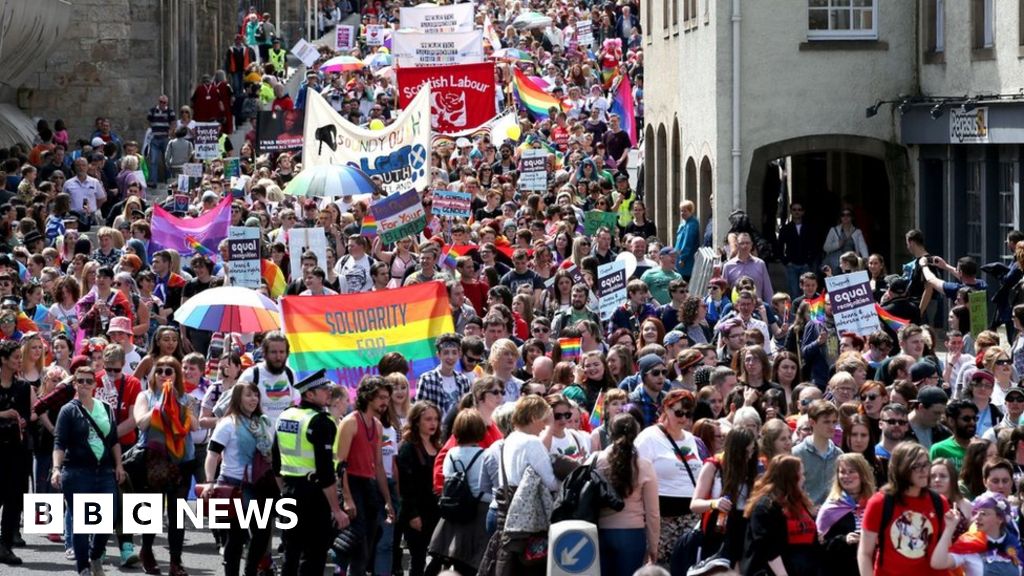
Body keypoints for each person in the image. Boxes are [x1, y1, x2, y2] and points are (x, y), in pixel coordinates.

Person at [274, 369, 349, 576]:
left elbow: (275, 462)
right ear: (309, 394)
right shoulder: (321, 421)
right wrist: (336, 509)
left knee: (291, 551)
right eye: (323, 389)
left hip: (289, 490)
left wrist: (285, 491)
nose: (328, 393)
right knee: (315, 554)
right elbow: (325, 471)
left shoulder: (285, 415)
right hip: (314, 495)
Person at [51, 363, 125, 576]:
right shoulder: (68, 410)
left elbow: (113, 440)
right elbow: (59, 443)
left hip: (104, 471)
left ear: (95, 384)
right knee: (82, 522)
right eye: (80, 380)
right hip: (77, 471)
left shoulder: (106, 408)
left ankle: (95, 556)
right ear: (74, 383)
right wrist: (56, 468)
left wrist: (119, 465)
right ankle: (83, 567)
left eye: (88, 381)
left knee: (107, 519)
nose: (84, 384)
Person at [203, 382, 275, 576]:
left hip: (261, 485)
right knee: (236, 537)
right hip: (235, 486)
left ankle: (250, 570)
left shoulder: (262, 422)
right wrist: (210, 481)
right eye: (248, 395)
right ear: (237, 398)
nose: (253, 399)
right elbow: (212, 454)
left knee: (262, 534)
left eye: (256, 395)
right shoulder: (227, 423)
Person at [132, 355, 195, 576]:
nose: (164, 375)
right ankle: (147, 551)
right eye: (159, 371)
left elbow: (194, 427)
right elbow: (140, 423)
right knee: (152, 511)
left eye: (169, 371)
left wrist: (177, 404)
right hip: (153, 460)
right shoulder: (145, 396)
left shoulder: (185, 398)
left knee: (177, 513)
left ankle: (176, 562)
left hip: (181, 461)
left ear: (176, 375)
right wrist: (160, 405)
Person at [858, 442, 949, 576]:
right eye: (917, 466)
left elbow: (946, 549)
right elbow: (865, 553)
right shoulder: (880, 502)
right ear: (902, 468)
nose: (924, 470)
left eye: (926, 464)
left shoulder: (939, 502)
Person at [335, 376, 395, 576]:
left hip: (368, 484)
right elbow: (340, 463)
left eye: (387, 397)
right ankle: (340, 569)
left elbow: (378, 465)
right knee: (357, 544)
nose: (385, 402)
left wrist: (387, 500)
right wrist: (348, 498)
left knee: (369, 542)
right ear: (368, 397)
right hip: (351, 482)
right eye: (380, 397)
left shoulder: (377, 425)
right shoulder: (350, 422)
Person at [634, 389, 702, 564]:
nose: (684, 418)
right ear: (666, 408)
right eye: (678, 412)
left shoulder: (691, 439)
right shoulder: (648, 438)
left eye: (688, 414)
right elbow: (637, 477)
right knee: (662, 568)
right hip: (662, 518)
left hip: (691, 517)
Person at [595, 413, 659, 575]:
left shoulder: (598, 460)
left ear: (610, 433)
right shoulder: (644, 465)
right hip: (632, 534)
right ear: (636, 433)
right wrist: (653, 546)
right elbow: (652, 513)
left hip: (601, 532)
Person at [427, 409, 490, 575]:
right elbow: (484, 486)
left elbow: (447, 478)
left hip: (454, 512)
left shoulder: (451, 454)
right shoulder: (485, 455)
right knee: (474, 563)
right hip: (479, 512)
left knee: (457, 560)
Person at [741, 454, 821, 576]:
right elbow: (768, 548)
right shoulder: (765, 506)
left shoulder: (798, 501)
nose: (804, 478)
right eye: (801, 474)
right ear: (790, 477)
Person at [396, 401, 442, 576]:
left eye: (435, 419)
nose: (433, 423)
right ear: (416, 422)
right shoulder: (408, 447)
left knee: (439, 556)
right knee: (418, 559)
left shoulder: (438, 446)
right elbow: (406, 484)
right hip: (416, 512)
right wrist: (412, 514)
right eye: (428, 419)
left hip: (436, 511)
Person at [931, 491, 1023, 576]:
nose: (977, 518)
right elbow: (938, 563)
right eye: (976, 513)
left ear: (1000, 519)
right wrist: (949, 528)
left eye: (983, 514)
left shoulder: (1014, 545)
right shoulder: (968, 544)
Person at [816, 454, 876, 576]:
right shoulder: (831, 507)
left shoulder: (875, 504)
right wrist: (843, 540)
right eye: (842, 472)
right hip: (840, 569)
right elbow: (819, 545)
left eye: (851, 471)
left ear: (863, 474)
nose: (846, 476)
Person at [793, 399, 842, 506]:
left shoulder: (839, 455)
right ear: (812, 422)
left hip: (833, 514)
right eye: (826, 422)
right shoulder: (796, 454)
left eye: (834, 422)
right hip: (805, 515)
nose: (832, 427)